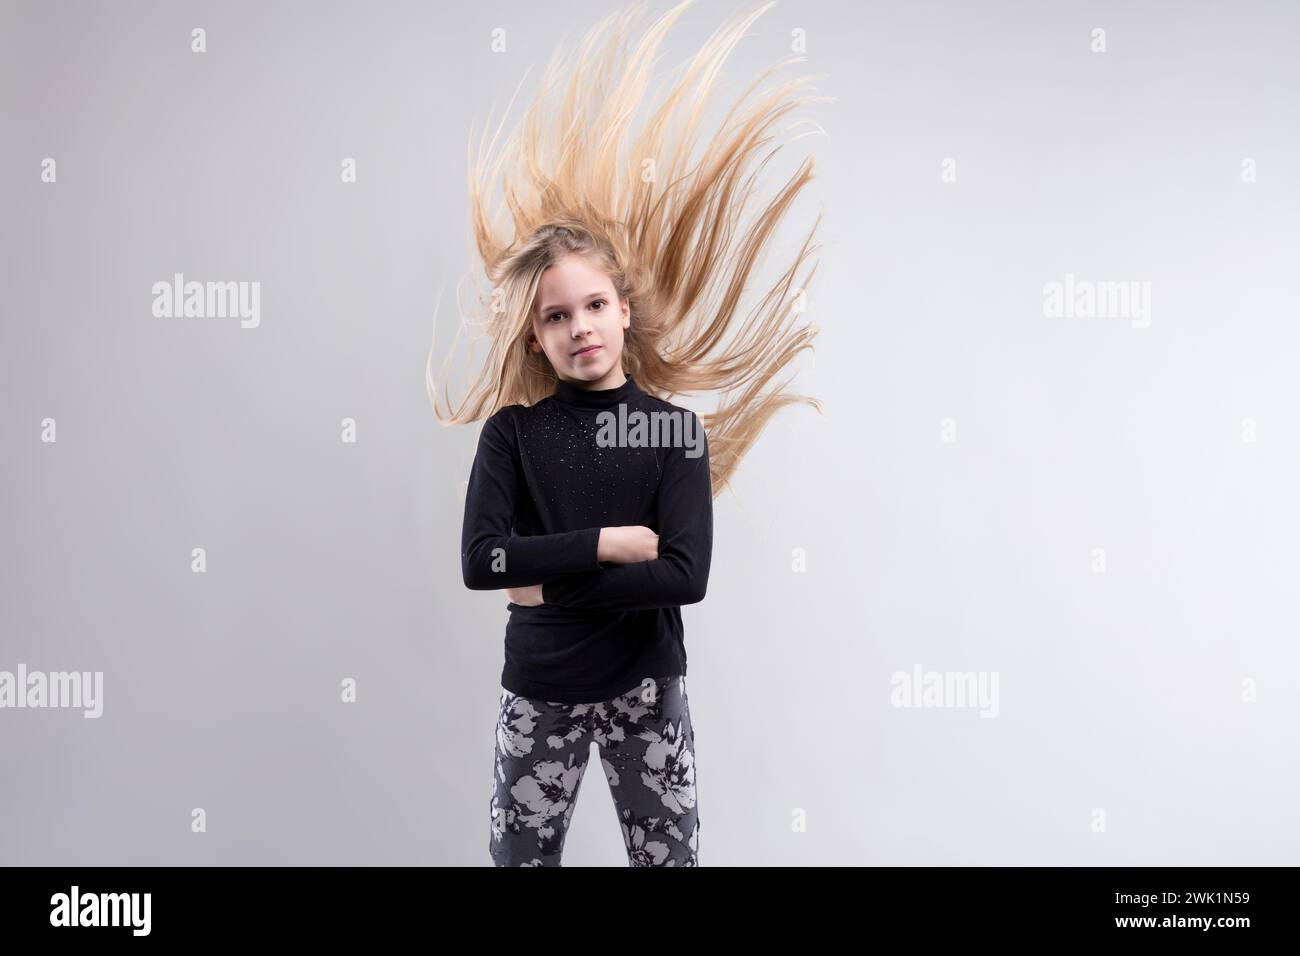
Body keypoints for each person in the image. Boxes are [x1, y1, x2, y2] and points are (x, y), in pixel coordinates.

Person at [428, 0, 826, 866]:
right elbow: (481, 562)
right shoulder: (511, 435)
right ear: (535, 338)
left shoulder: (675, 433)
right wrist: (608, 544)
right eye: (556, 316)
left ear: (624, 310)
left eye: (595, 305)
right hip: (539, 691)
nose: (580, 327)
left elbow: (685, 576)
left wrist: (549, 582)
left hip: (648, 693)